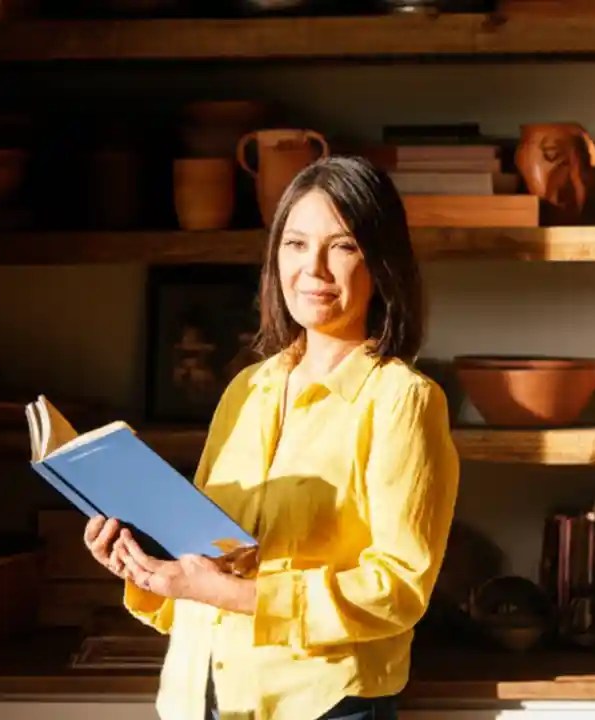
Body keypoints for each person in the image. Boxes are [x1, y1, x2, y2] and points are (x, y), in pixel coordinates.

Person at [84, 155, 461, 720]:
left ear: (382, 264)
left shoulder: (403, 400)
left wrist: (232, 595)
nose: (314, 269)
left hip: (322, 704)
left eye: (343, 246)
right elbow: (214, 554)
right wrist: (149, 567)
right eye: (295, 244)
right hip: (200, 696)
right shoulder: (248, 388)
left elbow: (398, 588)